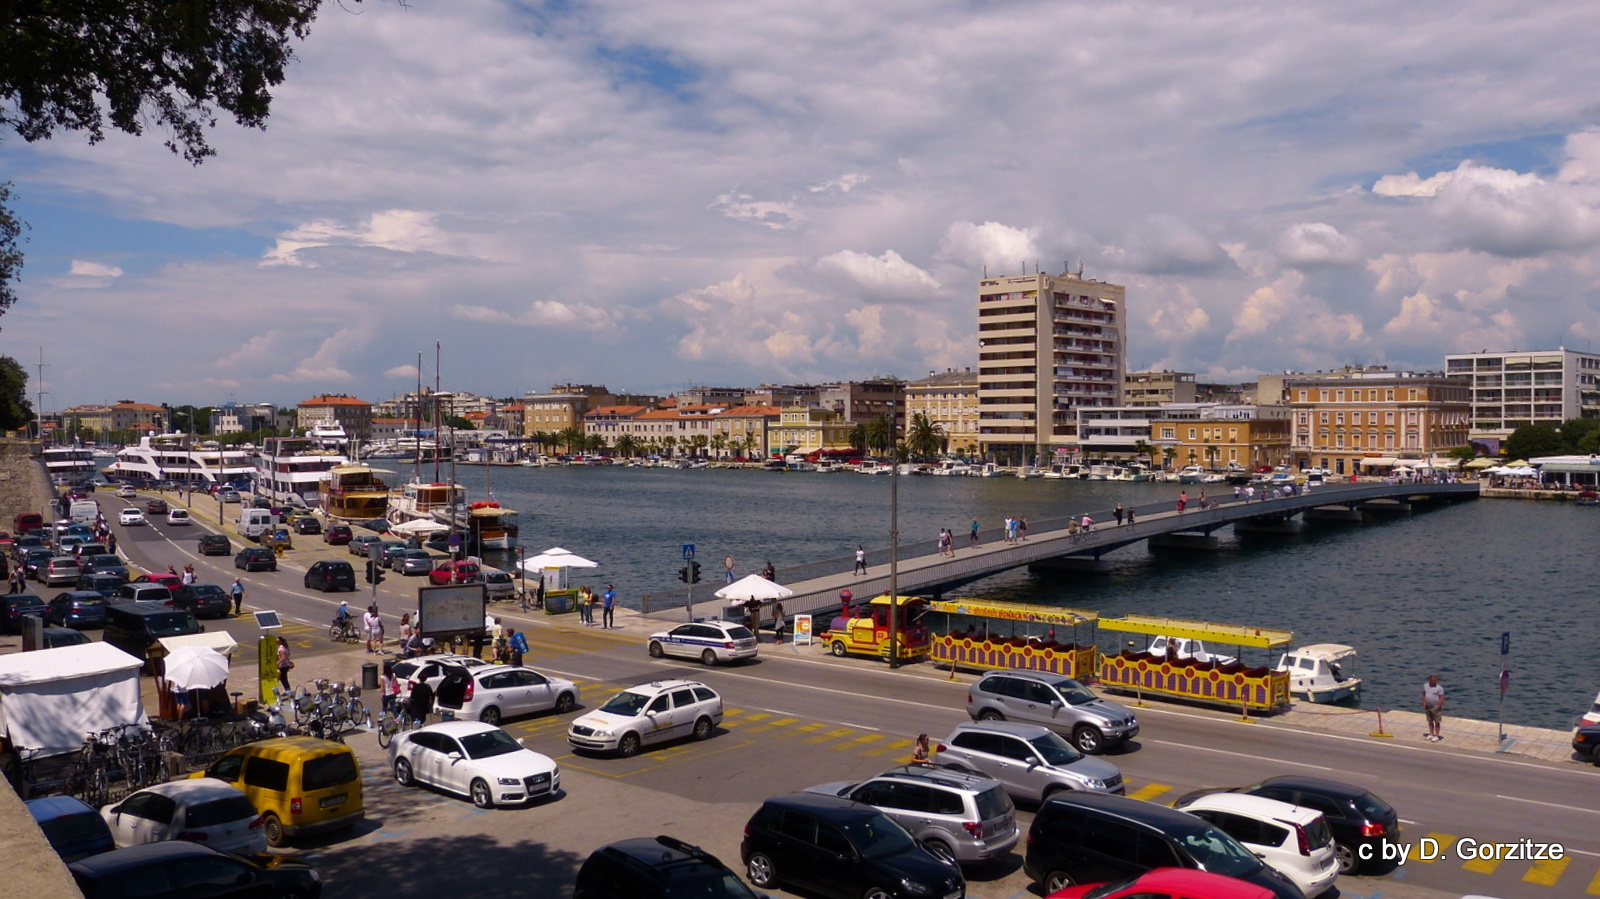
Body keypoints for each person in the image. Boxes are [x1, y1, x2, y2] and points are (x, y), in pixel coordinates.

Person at [1422, 674, 1446, 741]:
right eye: (1433, 680)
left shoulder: (1439, 688)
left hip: (1435, 707)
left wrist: (1438, 706)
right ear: (1430, 680)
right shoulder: (1425, 686)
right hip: (1428, 706)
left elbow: (1442, 697)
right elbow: (1424, 694)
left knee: (1437, 721)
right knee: (1430, 721)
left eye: (1436, 680)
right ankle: (1431, 734)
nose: (1435, 681)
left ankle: (1437, 735)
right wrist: (1424, 703)